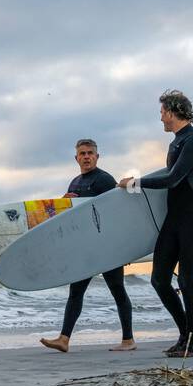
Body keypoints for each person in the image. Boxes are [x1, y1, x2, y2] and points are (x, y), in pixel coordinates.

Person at [118, 90, 193, 357]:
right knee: (159, 279)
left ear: (172, 111)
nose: (160, 118)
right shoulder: (177, 142)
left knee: (187, 281)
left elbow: (172, 179)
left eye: (162, 112)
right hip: (174, 219)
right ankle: (185, 335)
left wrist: (134, 183)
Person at [39, 138, 135, 353]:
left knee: (117, 290)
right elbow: (73, 216)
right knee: (76, 292)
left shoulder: (104, 180)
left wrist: (124, 246)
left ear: (97, 156)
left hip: (107, 247)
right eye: (82, 153)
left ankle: (128, 340)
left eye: (90, 153)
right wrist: (64, 201)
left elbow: (117, 212)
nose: (86, 157)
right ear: (76, 158)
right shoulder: (74, 183)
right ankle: (64, 339)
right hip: (85, 247)